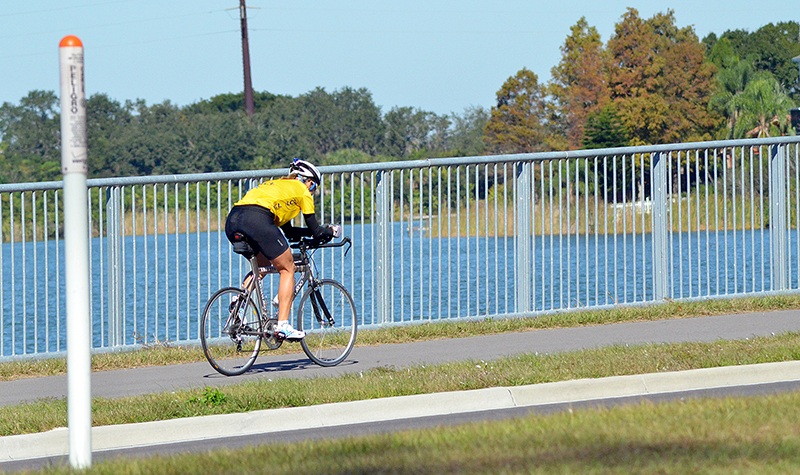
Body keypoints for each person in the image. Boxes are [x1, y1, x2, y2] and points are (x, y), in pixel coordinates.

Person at [224, 158, 336, 340]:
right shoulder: (302, 191)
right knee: (288, 268)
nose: (313, 192)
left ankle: (238, 302)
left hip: (234, 219)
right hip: (258, 219)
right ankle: (282, 325)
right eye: (315, 188)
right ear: (310, 182)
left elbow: (290, 232)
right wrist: (329, 231)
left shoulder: (279, 187)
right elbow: (315, 230)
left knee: (262, 266)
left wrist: (314, 233)